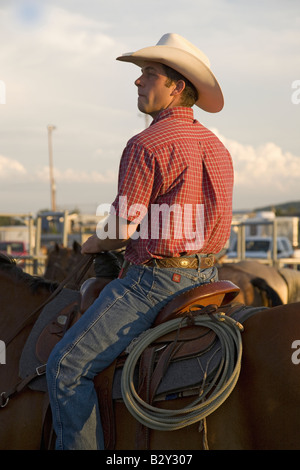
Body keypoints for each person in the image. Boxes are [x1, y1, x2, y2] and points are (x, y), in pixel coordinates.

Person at [46, 33, 234, 450]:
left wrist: (94, 245)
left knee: (65, 366)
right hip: (209, 278)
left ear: (177, 86)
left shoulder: (146, 144)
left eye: (149, 74)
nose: (137, 82)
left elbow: (119, 229)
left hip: (155, 284)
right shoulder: (217, 147)